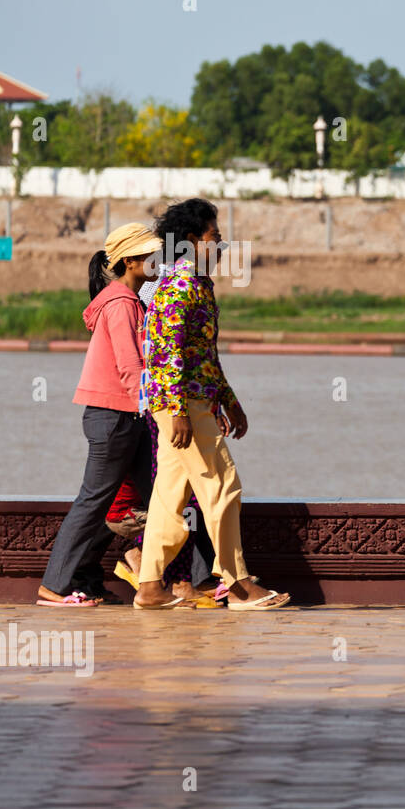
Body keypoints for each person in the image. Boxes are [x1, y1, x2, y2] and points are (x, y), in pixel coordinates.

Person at [131, 198, 289, 610]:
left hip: (192, 401)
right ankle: (236, 584)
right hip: (183, 405)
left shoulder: (197, 284)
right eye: (214, 238)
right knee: (223, 485)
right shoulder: (179, 286)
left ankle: (149, 587)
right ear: (190, 241)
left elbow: (202, 356)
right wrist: (179, 410)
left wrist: (229, 401)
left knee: (170, 496)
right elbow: (165, 353)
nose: (221, 247)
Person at [37, 225, 164, 607]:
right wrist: (156, 408)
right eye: (151, 257)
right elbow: (130, 367)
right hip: (115, 416)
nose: (158, 263)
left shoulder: (128, 299)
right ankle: (54, 586)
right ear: (130, 261)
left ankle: (87, 578)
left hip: (125, 417)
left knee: (157, 496)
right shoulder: (122, 303)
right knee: (94, 501)